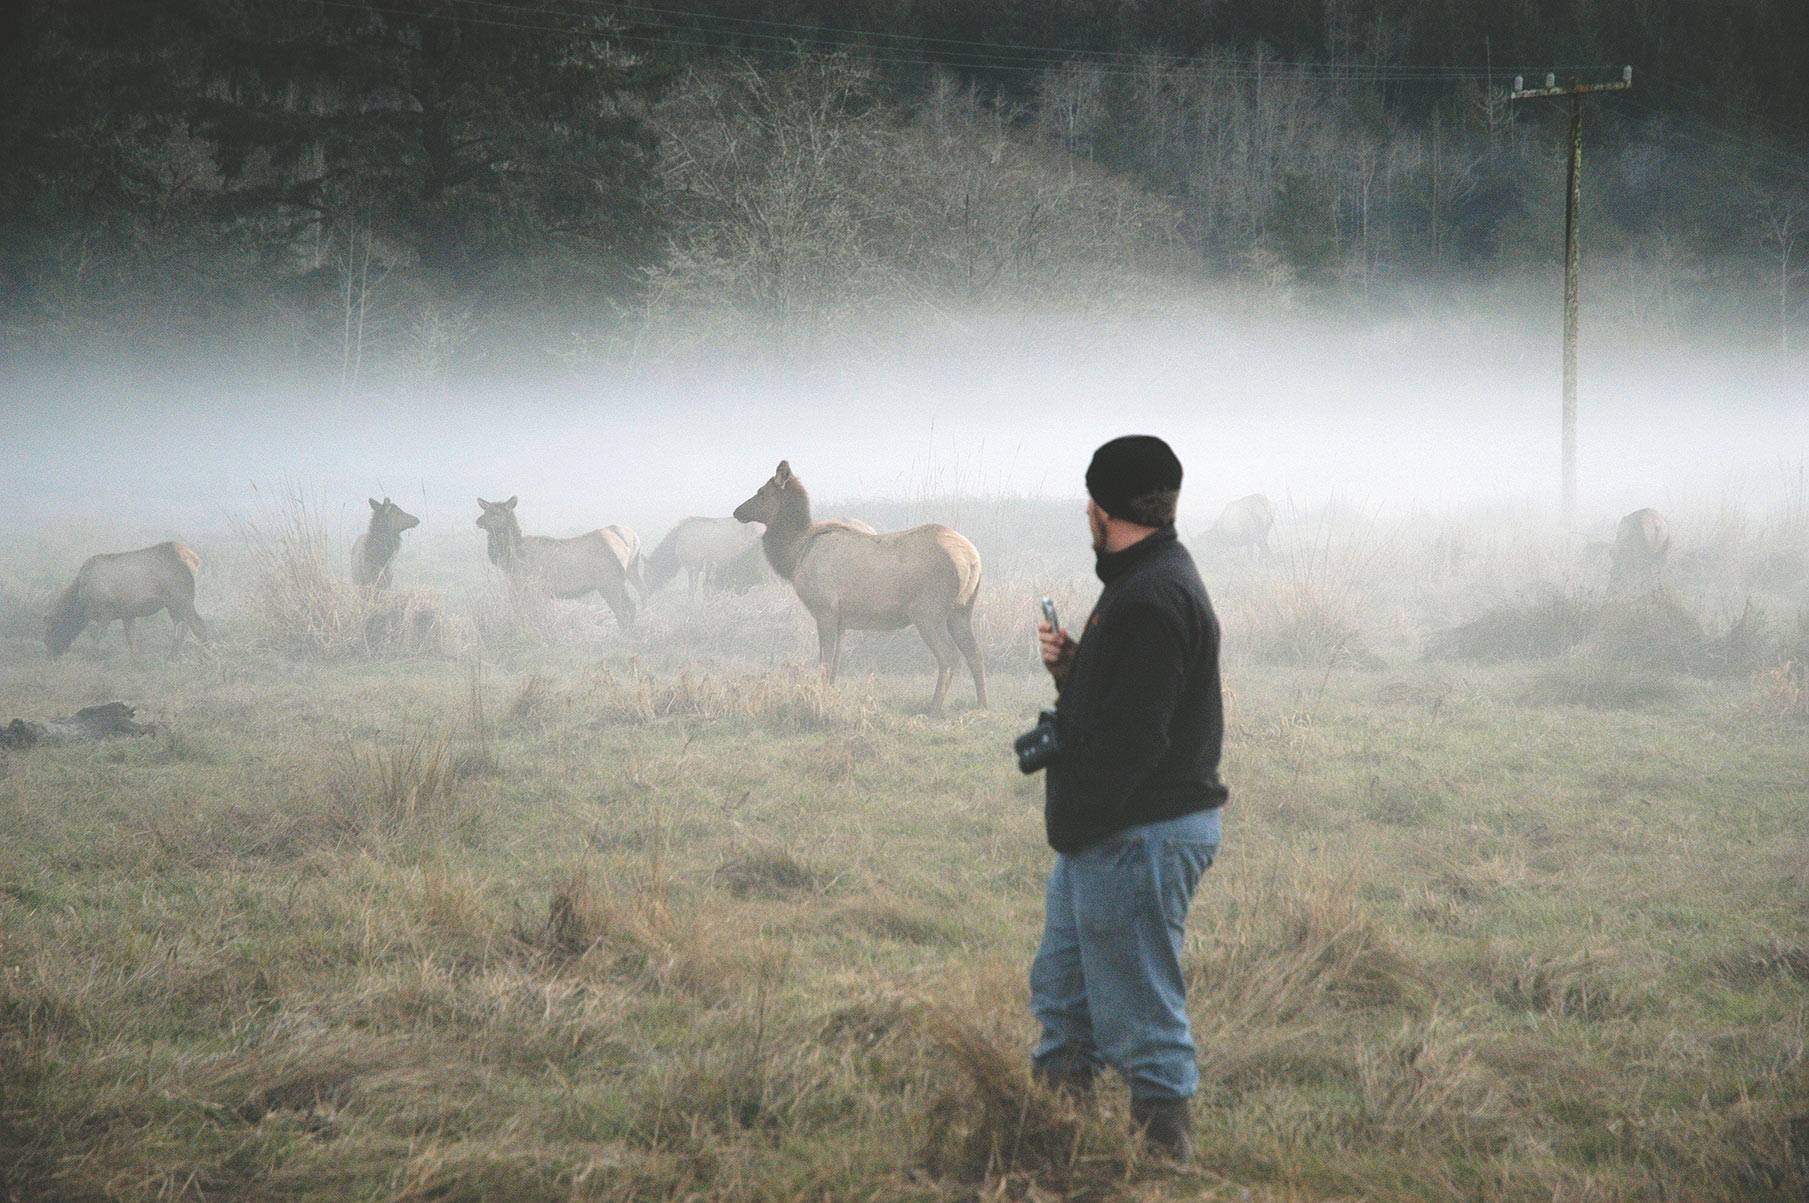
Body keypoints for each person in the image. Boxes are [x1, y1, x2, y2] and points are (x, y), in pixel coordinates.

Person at [1031, 434, 1228, 1164]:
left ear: (1100, 507)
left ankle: (1160, 1166)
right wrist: (1076, 671)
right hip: (1113, 832)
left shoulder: (1150, 596)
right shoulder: (1144, 579)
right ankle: (1055, 1142)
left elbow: (1134, 743)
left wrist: (1078, 816)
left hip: (1137, 833)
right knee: (1063, 1003)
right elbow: (1135, 706)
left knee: (1142, 1017)